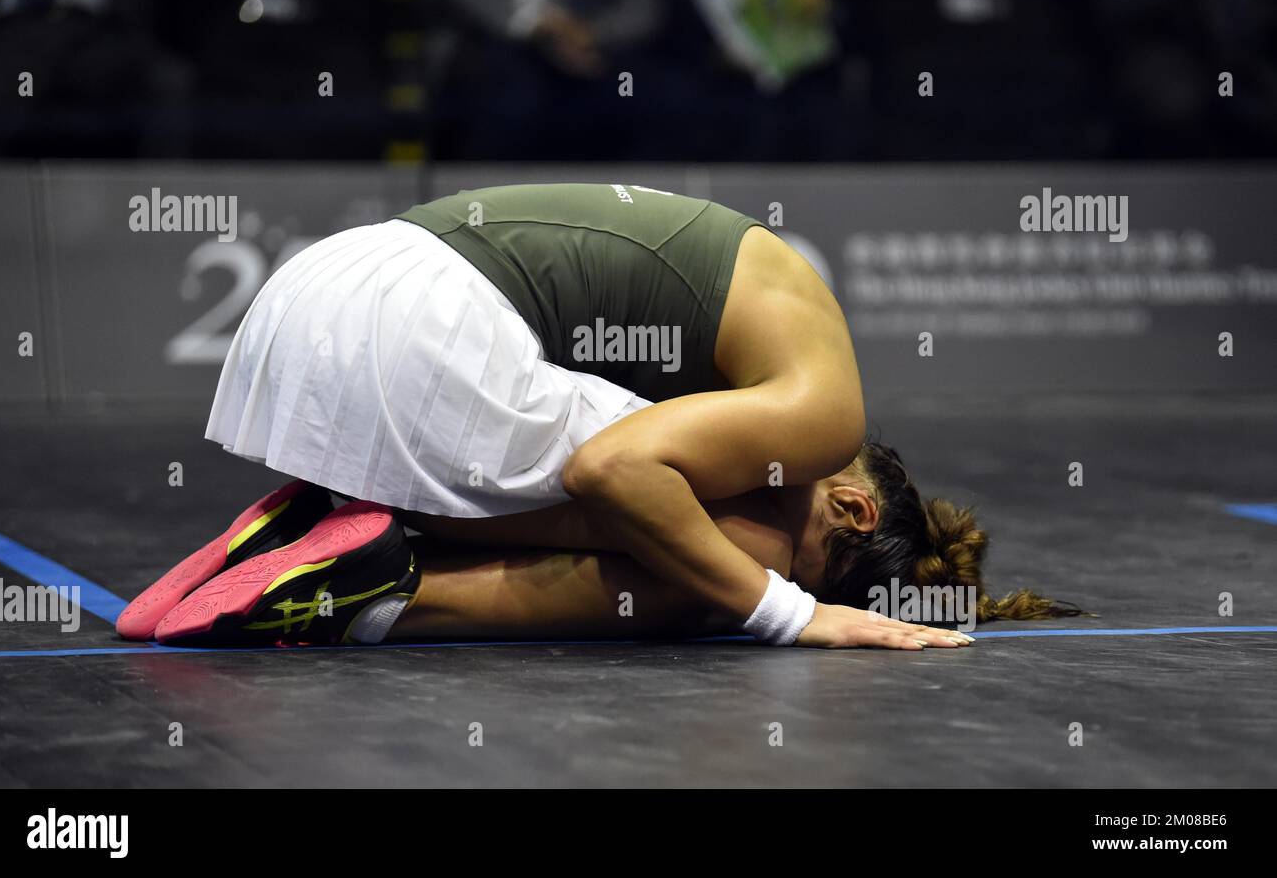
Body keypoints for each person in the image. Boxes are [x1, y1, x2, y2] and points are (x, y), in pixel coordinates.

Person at [117, 183, 1074, 649]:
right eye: (821, 553)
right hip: (407, 335)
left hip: (320, 303)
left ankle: (324, 534)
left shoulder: (784, 333)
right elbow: (608, 475)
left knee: (676, 519)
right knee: (711, 564)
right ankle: (365, 591)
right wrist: (789, 611)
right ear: (854, 507)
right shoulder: (824, 419)